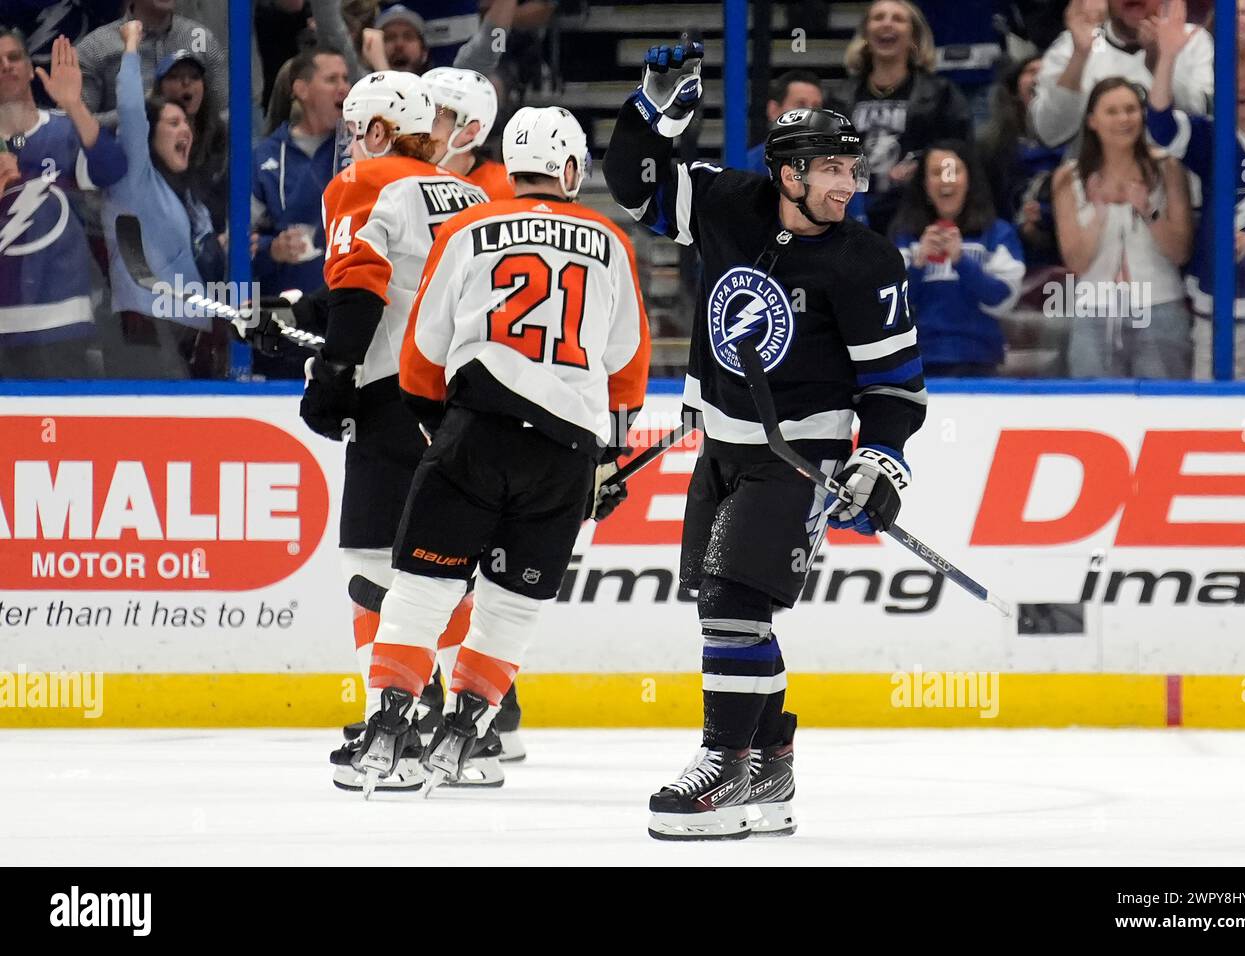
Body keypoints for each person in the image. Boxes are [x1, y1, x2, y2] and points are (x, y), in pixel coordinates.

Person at [604, 42, 926, 840]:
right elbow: (634, 182)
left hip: (799, 459)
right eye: (833, 172)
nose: (849, 186)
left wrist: (881, 461)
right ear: (789, 175)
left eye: (853, 172)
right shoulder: (727, 204)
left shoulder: (866, 261)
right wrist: (653, 110)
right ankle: (771, 763)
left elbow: (895, 388)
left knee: (733, 605)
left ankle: (726, 764)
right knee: (730, 610)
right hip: (722, 447)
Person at [350, 104, 651, 795]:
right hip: (566, 449)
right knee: (513, 602)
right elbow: (627, 363)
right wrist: (610, 453)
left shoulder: (468, 226)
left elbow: (421, 352)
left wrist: (439, 426)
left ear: (514, 168)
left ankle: (387, 719)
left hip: (474, 431)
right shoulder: (609, 239)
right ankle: (469, 728)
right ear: (571, 170)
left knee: (425, 587)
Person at [243, 70, 497, 789]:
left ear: (380, 130)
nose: (351, 145)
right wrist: (294, 314)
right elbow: (395, 290)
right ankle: (463, 732)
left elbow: (362, 288)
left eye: (357, 131)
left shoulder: (367, 182)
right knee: (441, 564)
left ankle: (401, 723)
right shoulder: (470, 196)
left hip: (397, 397)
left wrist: (334, 376)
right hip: (471, 401)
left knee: (370, 566)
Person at [1147, 1, 1245, 378]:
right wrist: (1166, 57)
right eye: (1232, 79)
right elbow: (1161, 126)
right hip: (1216, 308)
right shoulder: (1212, 137)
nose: (1241, 87)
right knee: (1213, 417)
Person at [101, 19, 225, 379]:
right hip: (145, 335)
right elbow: (130, 110)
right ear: (147, 135)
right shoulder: (135, 182)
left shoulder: (187, 198)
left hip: (188, 336)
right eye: (172, 123)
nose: (184, 128)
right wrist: (131, 46)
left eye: (186, 123)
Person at [0, 29, 126, 378]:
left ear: (29, 68)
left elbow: (111, 170)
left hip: (60, 318)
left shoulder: (64, 131)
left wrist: (74, 105)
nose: (6, 67)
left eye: (14, 58)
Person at [1052, 75, 1193, 377]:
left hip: (1160, 304)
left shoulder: (1167, 168)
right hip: (1094, 309)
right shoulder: (1069, 178)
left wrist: (1148, 210)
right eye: (1112, 111)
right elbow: (1076, 261)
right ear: (1092, 121)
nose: (1123, 119)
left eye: (1130, 109)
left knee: (1162, 411)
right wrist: (1099, 214)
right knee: (1094, 408)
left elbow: (1180, 251)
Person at [891, 140, 1026, 376]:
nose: (946, 180)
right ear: (923, 184)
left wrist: (962, 261)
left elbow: (1003, 299)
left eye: (954, 171)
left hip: (980, 359)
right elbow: (891, 306)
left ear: (970, 180)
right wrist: (918, 264)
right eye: (936, 172)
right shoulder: (904, 237)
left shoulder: (997, 234)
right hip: (916, 362)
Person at [836, 0, 972, 234]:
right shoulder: (840, 96)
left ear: (913, 38)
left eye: (897, 19)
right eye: (878, 18)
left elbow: (960, 152)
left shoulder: (941, 94)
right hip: (851, 211)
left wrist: (922, 167)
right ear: (865, 35)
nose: (887, 24)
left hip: (916, 213)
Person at [251, 47, 351, 349]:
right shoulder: (264, 157)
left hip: (346, 319)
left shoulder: (357, 152)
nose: (343, 87)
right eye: (331, 79)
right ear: (301, 89)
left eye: (346, 78)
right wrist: (273, 249)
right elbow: (237, 242)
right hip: (284, 321)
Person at [1030, 0, 1213, 149]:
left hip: (1173, 182)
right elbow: (1050, 134)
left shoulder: (1191, 39)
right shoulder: (1074, 43)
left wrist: (1160, 64)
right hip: (1093, 183)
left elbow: (1200, 118)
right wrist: (1080, 56)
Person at [75, 0, 228, 129]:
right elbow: (74, 123)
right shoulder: (95, 48)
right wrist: (142, 113)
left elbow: (228, 112)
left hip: (193, 158)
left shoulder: (202, 39)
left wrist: (196, 130)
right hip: (122, 158)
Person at [980, 56, 1068, 270]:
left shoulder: (1081, 139)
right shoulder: (991, 146)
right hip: (1011, 252)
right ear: (1014, 88)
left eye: (1048, 70)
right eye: (1031, 71)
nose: (1039, 76)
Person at [152, 48, 226, 233]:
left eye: (194, 77)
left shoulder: (220, 134)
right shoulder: (144, 136)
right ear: (159, 88)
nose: (186, 83)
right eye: (175, 77)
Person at [421, 66, 510, 199]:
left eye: (433, 121)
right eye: (416, 118)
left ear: (470, 131)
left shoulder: (505, 187)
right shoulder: (395, 178)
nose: (417, 131)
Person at [744, 70, 824, 175]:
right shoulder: (747, 168)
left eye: (816, 107)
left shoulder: (835, 167)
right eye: (800, 105)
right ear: (774, 111)